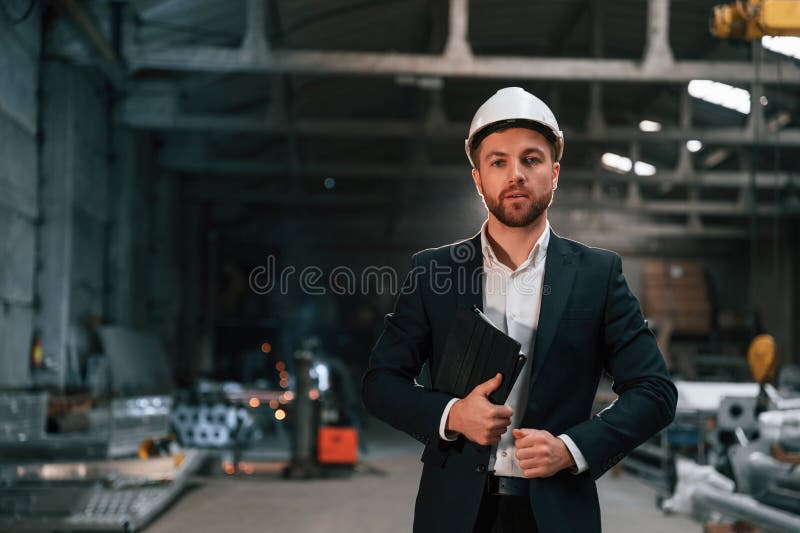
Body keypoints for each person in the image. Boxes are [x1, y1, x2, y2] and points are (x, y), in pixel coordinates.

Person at [361, 87, 677, 533]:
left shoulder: (597, 274)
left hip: (556, 512)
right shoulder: (434, 272)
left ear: (554, 172)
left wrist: (571, 447)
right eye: (498, 161)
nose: (516, 174)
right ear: (478, 179)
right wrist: (453, 415)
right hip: (454, 514)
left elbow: (655, 392)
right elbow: (380, 383)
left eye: (531, 159)